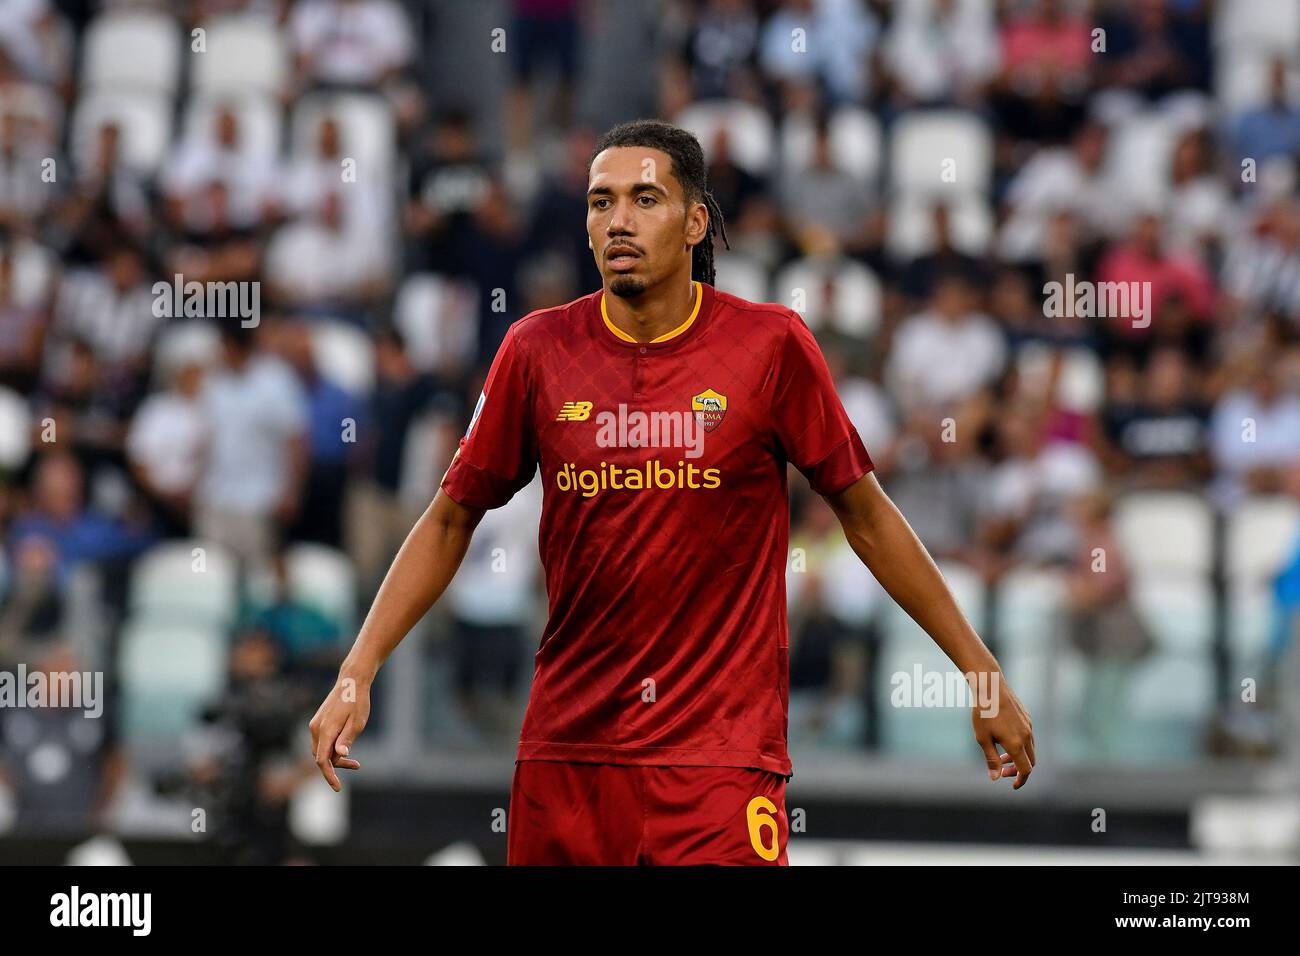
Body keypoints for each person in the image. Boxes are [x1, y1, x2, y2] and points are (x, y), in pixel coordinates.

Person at [309, 120, 1036, 866]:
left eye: (644, 198)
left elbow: (869, 516)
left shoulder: (771, 347)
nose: (617, 219)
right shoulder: (536, 351)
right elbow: (448, 520)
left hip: (720, 765)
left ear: (695, 223)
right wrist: (356, 672)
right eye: (601, 202)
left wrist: (981, 672)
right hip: (569, 760)